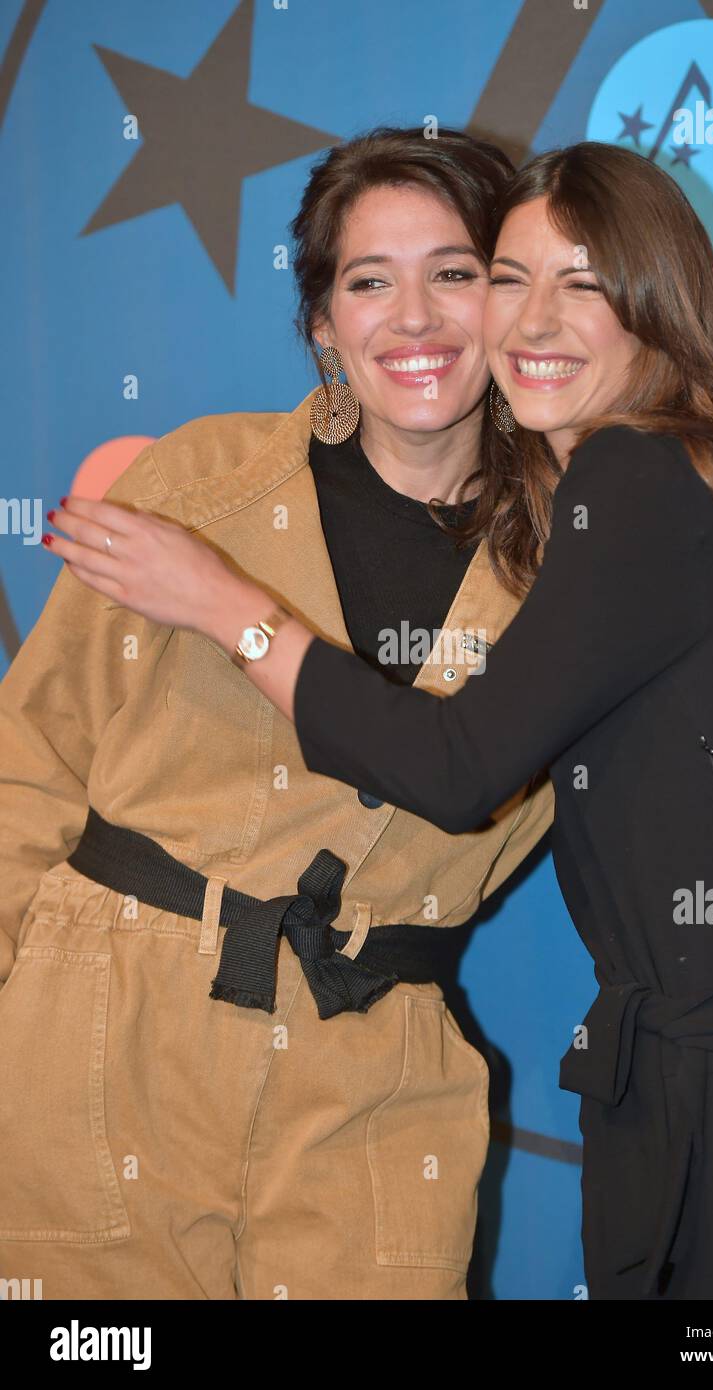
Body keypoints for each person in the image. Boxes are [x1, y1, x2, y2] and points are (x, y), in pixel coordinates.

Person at [49, 141, 713, 1301]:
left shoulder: (634, 477)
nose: (531, 320)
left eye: (580, 283)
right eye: (512, 277)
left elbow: (458, 764)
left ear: (655, 308)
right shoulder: (675, 493)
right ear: (321, 319)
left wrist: (226, 607)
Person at [0, 127, 559, 1302]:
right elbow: (30, 762)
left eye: (453, 272)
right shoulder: (200, 482)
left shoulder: (581, 570)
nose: (413, 317)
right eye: (368, 281)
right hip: (107, 1037)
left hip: (374, 1081)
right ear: (321, 324)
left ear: (511, 302)